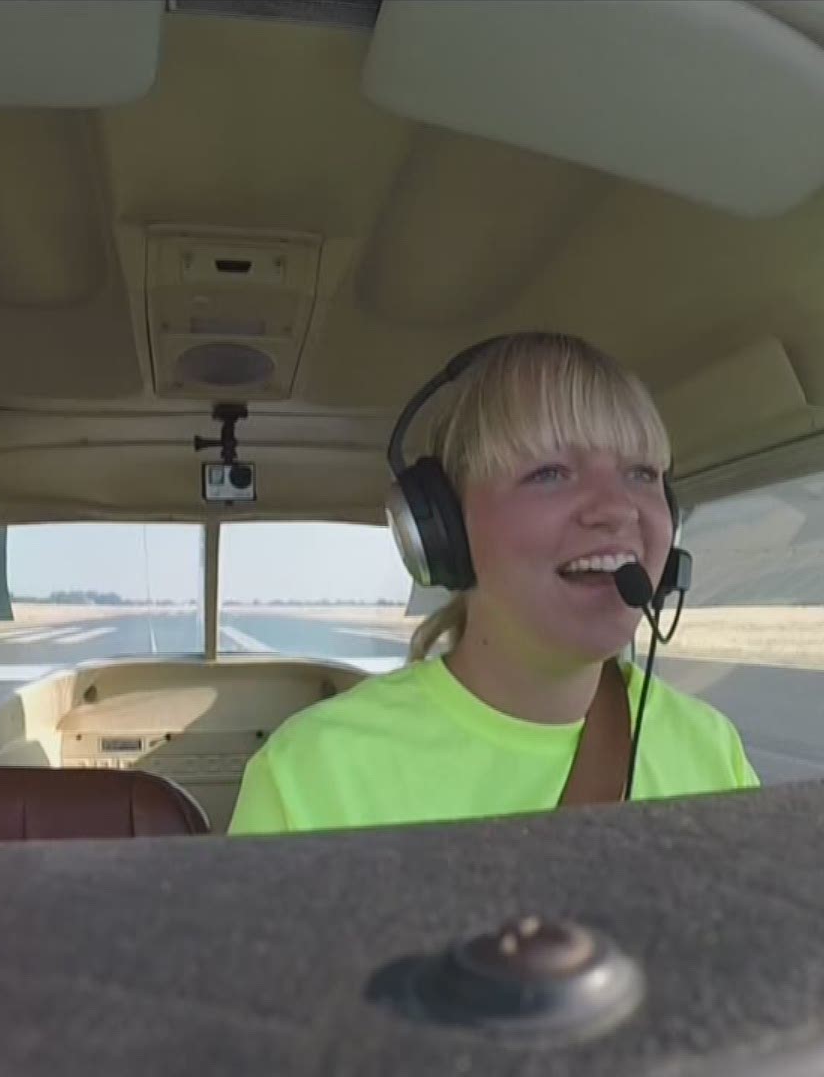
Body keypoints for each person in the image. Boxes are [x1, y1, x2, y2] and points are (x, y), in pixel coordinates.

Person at [226, 332, 760, 835]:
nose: (617, 509)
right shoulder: (314, 773)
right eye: (549, 472)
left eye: (642, 474)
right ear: (445, 532)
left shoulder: (713, 751)